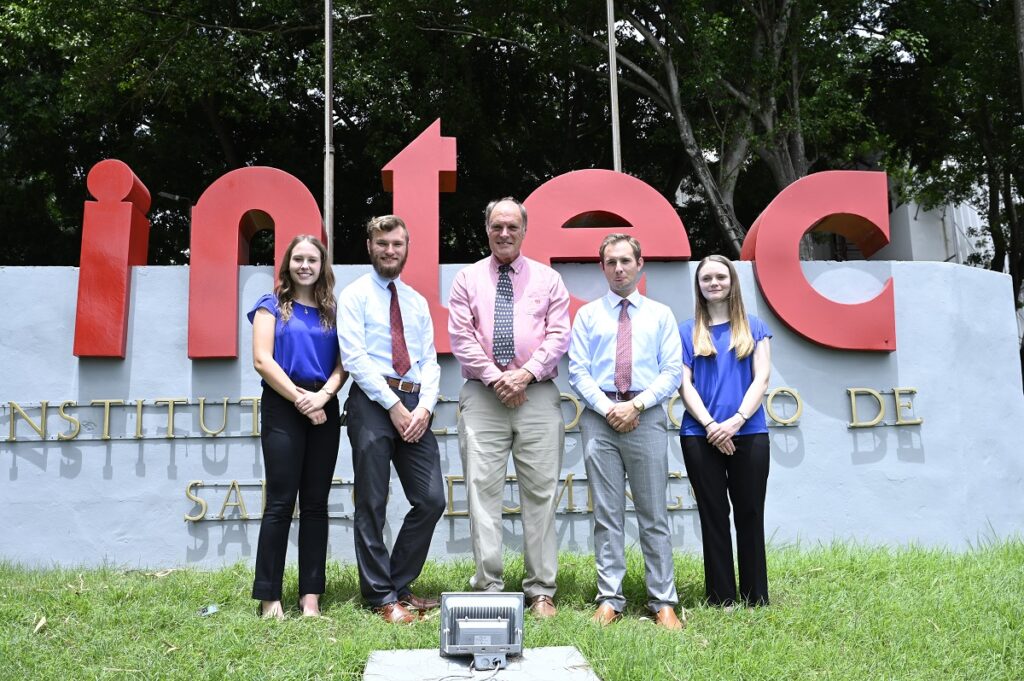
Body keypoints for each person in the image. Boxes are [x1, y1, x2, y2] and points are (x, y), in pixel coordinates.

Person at [448, 197, 570, 618]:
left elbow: (558, 336)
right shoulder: (466, 278)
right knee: (483, 493)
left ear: (524, 231)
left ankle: (541, 591)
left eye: (512, 227)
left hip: (536, 394)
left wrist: (526, 374)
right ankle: (489, 587)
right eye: (497, 226)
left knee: (541, 494)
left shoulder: (549, 280)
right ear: (486, 229)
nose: (504, 234)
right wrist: (499, 378)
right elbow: (461, 337)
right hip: (483, 395)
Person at [568, 233, 685, 630]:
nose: (618, 268)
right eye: (611, 262)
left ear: (640, 264)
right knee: (607, 514)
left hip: (646, 415)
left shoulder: (660, 314)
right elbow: (577, 371)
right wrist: (608, 408)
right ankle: (609, 598)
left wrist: (635, 405)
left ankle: (664, 600)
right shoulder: (587, 316)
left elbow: (671, 371)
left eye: (625, 261)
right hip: (599, 419)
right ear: (602, 267)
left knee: (653, 513)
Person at [337, 215, 446, 624]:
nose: (390, 251)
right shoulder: (354, 295)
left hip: (415, 404)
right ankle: (381, 596)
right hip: (371, 402)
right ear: (369, 246)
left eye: (397, 244)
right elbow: (355, 358)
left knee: (432, 498)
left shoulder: (415, 301)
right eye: (382, 244)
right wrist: (392, 406)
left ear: (406, 248)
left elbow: (430, 360)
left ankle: (398, 583)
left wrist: (424, 408)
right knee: (373, 501)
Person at [250, 234, 347, 619]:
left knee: (316, 505)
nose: (305, 265)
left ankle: (311, 599)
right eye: (298, 259)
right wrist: (300, 399)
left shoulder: (332, 311)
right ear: (288, 264)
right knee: (279, 502)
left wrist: (322, 397)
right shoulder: (271, 305)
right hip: (283, 403)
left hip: (323, 405)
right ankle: (269, 597)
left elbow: (345, 364)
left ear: (322, 266)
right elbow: (262, 360)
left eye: (313, 260)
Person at [678, 254, 772, 608]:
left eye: (720, 276)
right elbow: (683, 384)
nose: (714, 283)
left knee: (750, 513)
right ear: (699, 286)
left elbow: (762, 377)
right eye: (706, 279)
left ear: (732, 281)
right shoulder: (686, 331)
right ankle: (721, 598)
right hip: (699, 436)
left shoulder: (754, 327)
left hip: (749, 433)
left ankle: (755, 596)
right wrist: (711, 425)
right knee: (713, 514)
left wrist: (736, 421)